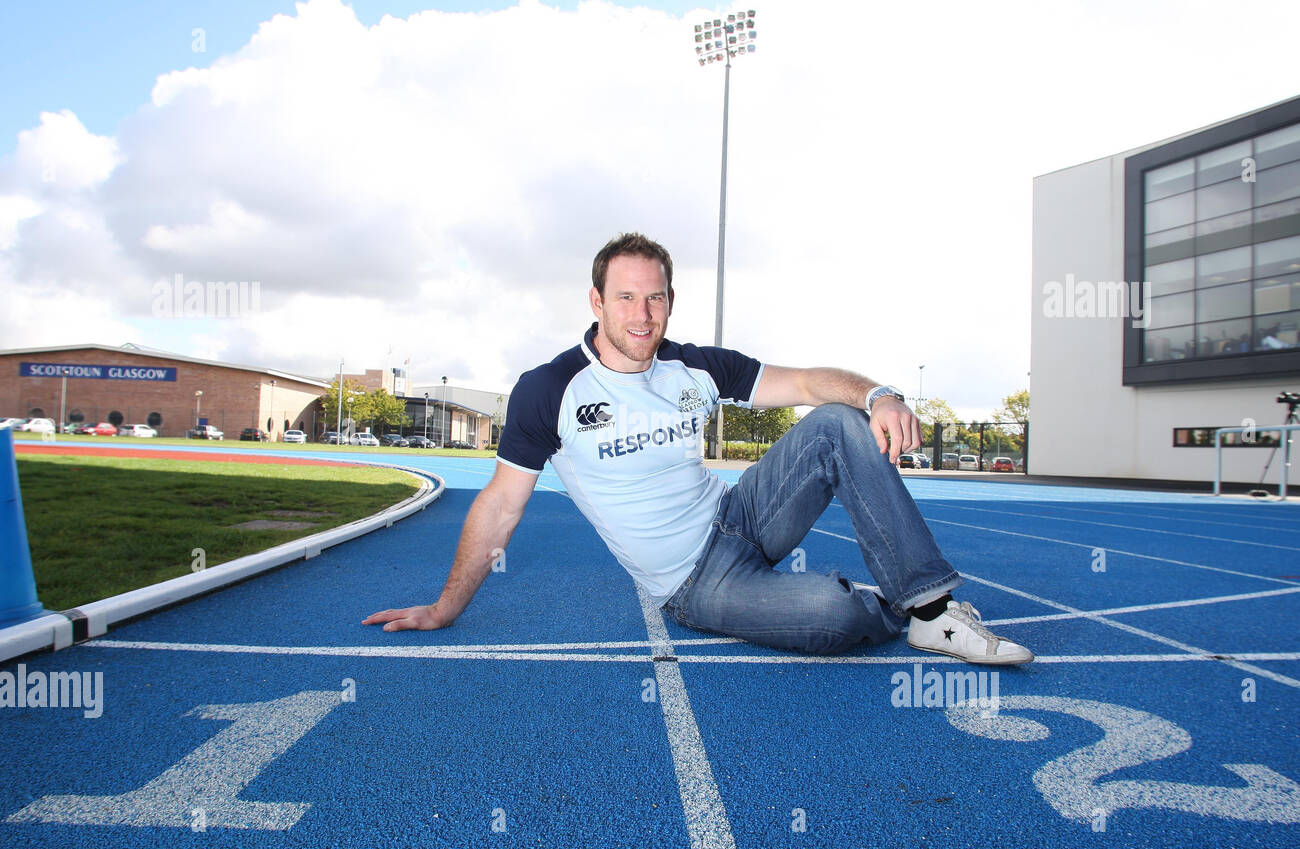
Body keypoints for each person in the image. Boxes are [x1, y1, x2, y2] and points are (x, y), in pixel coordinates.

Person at [364, 233, 1033, 665]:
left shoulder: (693, 366)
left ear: (670, 301)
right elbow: (501, 506)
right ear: (596, 300)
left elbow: (803, 382)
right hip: (695, 582)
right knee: (831, 617)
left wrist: (881, 393)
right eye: (625, 297)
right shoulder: (549, 390)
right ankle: (876, 608)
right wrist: (447, 604)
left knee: (836, 421)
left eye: (655, 298)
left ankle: (931, 610)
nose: (641, 315)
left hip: (739, 517)